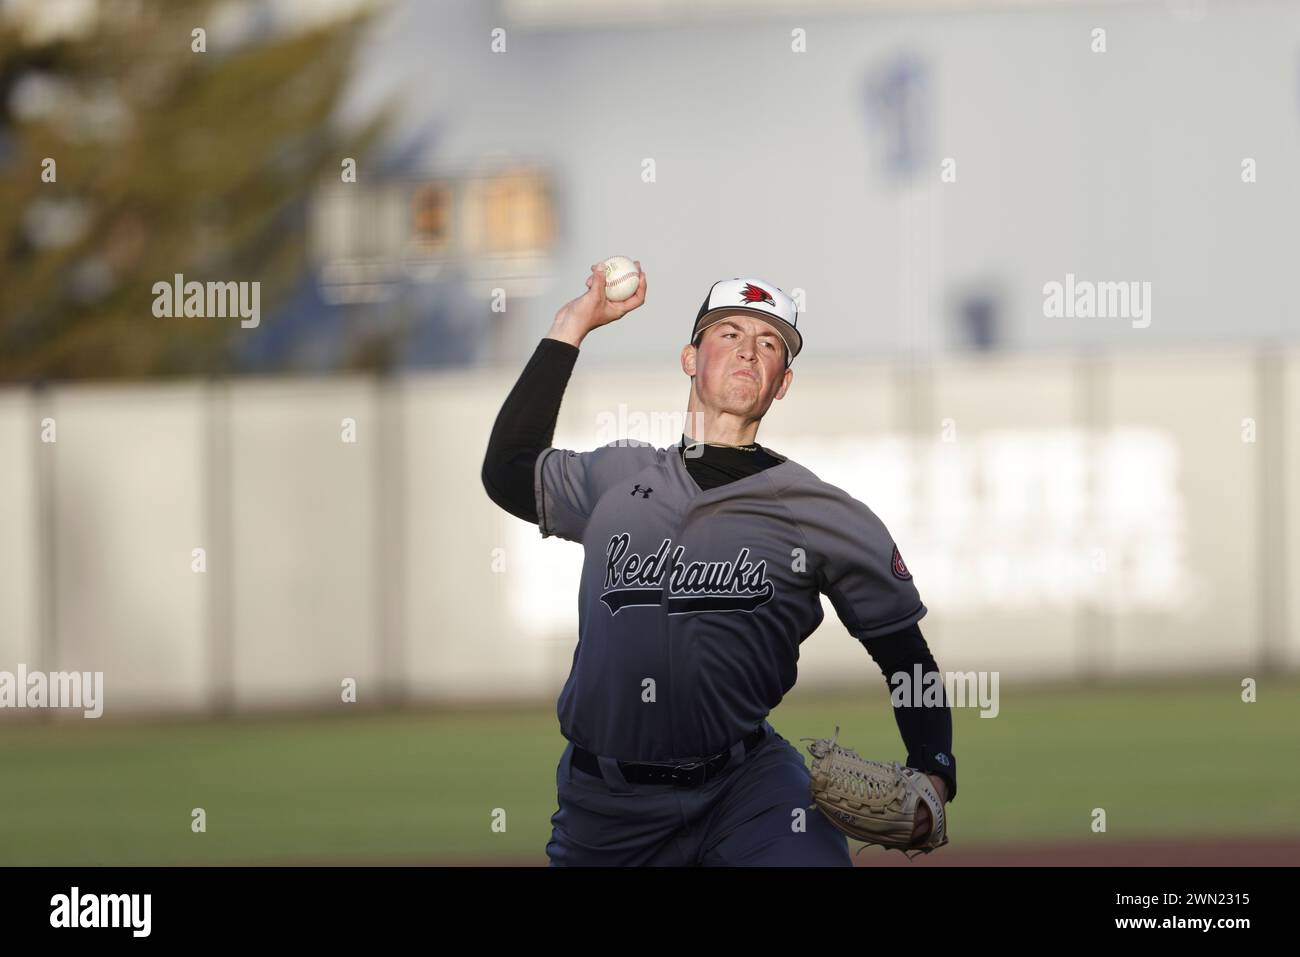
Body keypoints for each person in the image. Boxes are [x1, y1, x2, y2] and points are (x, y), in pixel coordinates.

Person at [481, 261, 956, 866]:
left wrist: (935, 770)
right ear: (689, 358)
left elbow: (906, 656)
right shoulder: (614, 478)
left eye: (769, 344)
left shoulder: (826, 515)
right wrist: (569, 327)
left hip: (748, 790)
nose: (748, 352)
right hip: (606, 809)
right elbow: (507, 471)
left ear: (783, 382)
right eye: (728, 333)